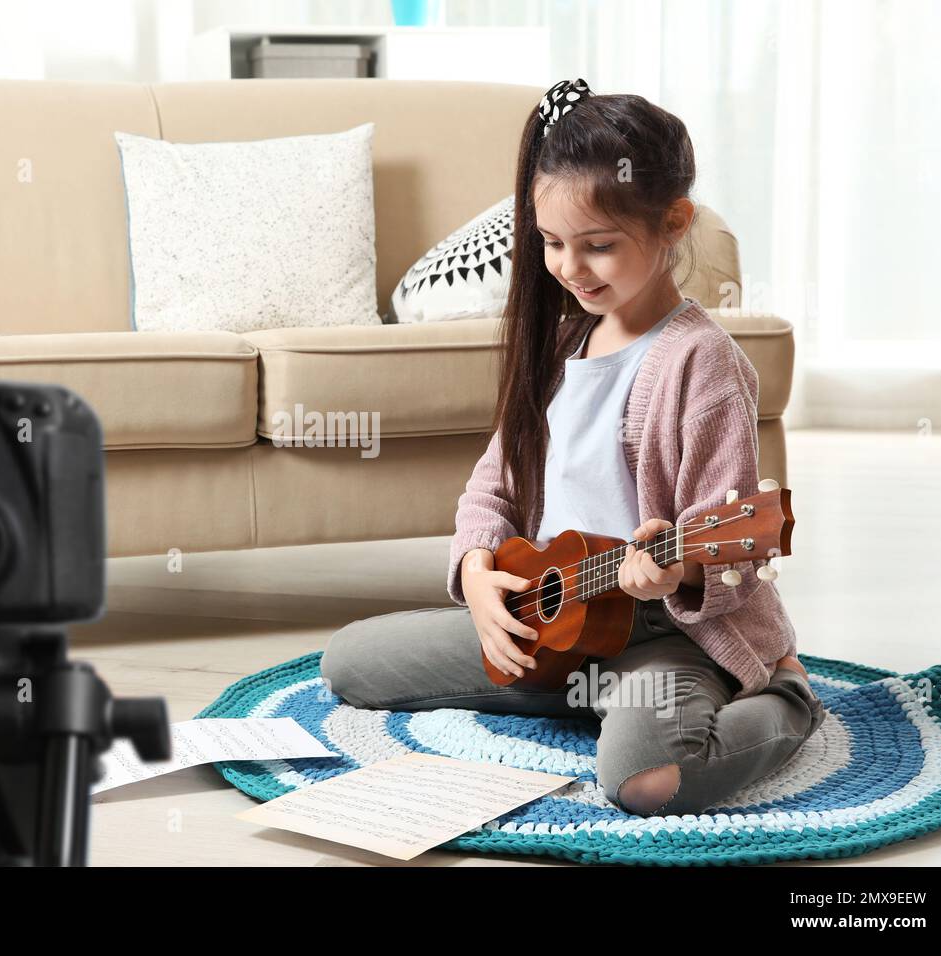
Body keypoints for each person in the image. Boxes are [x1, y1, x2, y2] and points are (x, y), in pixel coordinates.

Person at [320, 78, 826, 818]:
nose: (569, 268)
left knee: (645, 782)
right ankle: (590, 696)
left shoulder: (703, 364)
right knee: (348, 665)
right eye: (552, 244)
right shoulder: (560, 343)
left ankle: (785, 694)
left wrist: (678, 569)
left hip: (661, 634)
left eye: (598, 246)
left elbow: (737, 558)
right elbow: (488, 489)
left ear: (673, 222)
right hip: (556, 617)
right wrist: (479, 575)